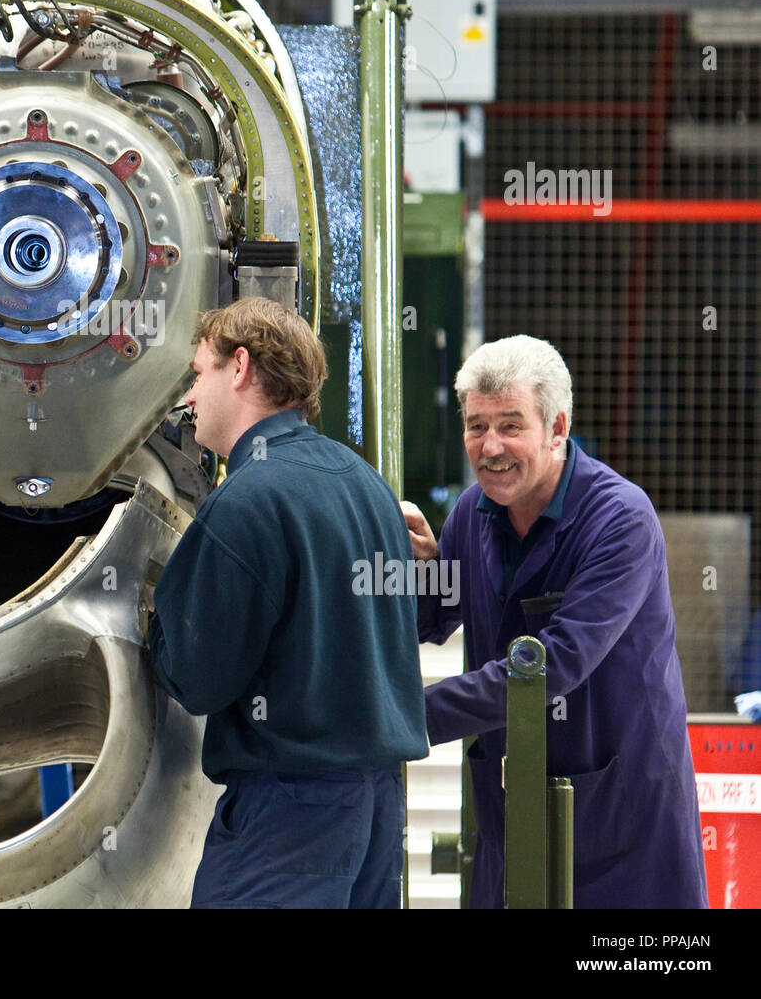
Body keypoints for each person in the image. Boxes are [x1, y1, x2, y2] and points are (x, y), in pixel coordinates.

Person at [402, 334, 708, 909]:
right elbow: (433, 616)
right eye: (476, 426)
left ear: (558, 428)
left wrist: (401, 719)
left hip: (621, 820)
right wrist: (397, 567)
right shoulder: (473, 512)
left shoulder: (620, 520)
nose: (490, 446)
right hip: (511, 814)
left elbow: (552, 667)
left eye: (511, 425)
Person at [147, 297, 428, 909]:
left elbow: (196, 680)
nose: (190, 396)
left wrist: (150, 615)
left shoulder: (248, 499)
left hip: (288, 822)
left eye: (199, 374)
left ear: (240, 367)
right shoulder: (365, 483)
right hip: (376, 810)